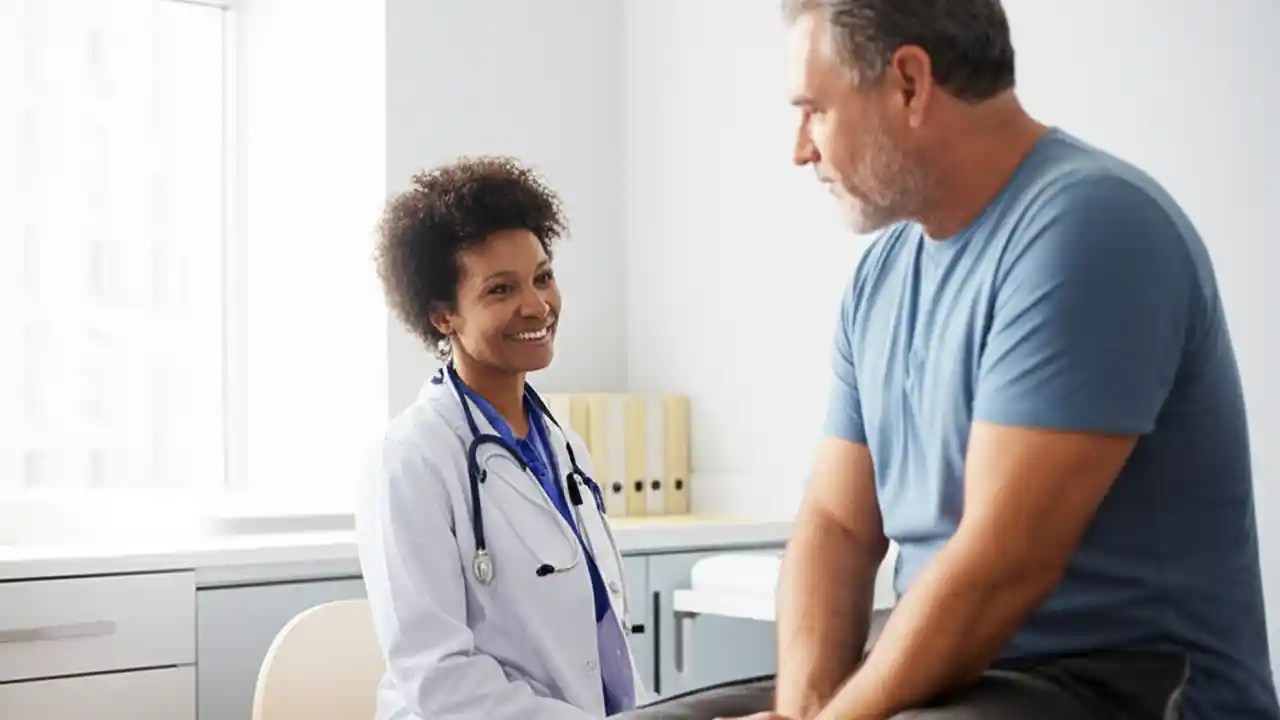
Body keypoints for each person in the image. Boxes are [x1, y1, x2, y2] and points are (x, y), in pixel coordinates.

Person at [620, 1, 1279, 719]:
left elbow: (1001, 565)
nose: (801, 149)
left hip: (1117, 684)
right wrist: (803, 707)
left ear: (908, 82)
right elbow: (837, 526)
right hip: (964, 676)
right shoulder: (883, 276)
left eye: (815, 111)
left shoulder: (1092, 229)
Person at [356, 156, 642, 719]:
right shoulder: (411, 459)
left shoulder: (564, 449)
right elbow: (439, 681)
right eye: (500, 289)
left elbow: (603, 642)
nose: (536, 305)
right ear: (443, 315)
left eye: (542, 277)